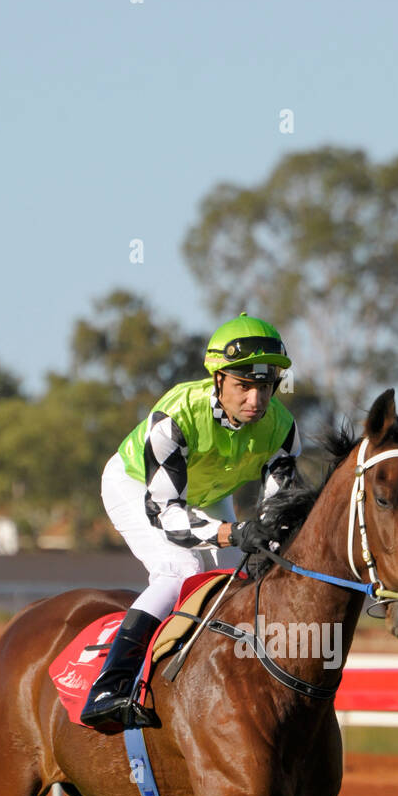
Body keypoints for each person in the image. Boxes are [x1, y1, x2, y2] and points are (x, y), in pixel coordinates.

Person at [80, 313, 301, 730]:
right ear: (218, 380)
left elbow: (274, 517)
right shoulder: (176, 415)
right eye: (244, 386)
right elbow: (167, 516)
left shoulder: (284, 431)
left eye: (266, 386)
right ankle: (110, 687)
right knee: (181, 570)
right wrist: (232, 532)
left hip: (209, 496)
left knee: (242, 581)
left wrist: (262, 544)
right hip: (138, 489)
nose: (256, 400)